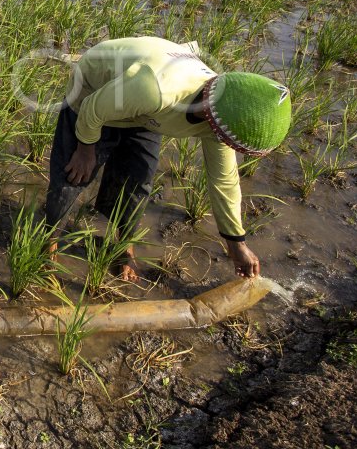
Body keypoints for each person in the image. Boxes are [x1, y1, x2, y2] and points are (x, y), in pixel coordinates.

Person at [42, 36, 291, 281]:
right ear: (211, 112)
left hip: (142, 106)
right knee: (73, 175)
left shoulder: (221, 119)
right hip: (97, 87)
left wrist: (237, 244)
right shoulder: (157, 90)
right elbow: (93, 108)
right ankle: (48, 241)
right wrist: (86, 150)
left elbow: (224, 181)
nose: (228, 145)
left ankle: (124, 245)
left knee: (137, 180)